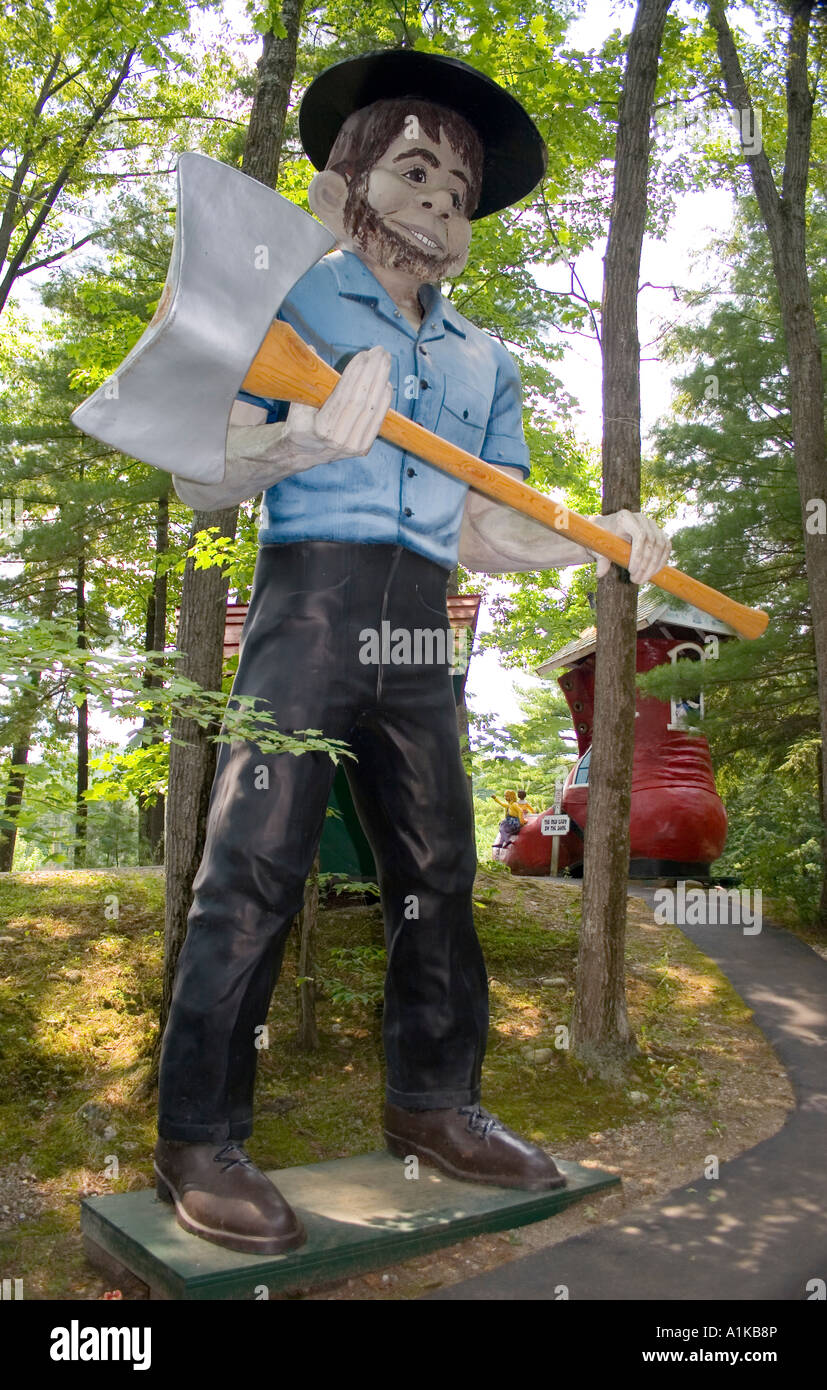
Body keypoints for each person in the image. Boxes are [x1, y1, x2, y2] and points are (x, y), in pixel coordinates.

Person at [154, 48, 671, 1256]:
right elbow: (193, 471)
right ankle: (197, 1133)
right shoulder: (286, 297)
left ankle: (434, 1100)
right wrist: (294, 447)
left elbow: (491, 526)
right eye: (416, 169)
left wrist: (603, 542)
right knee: (254, 864)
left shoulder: (486, 360)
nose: (440, 198)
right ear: (345, 188)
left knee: (439, 868)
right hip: (306, 604)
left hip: (418, 624)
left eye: (460, 187)